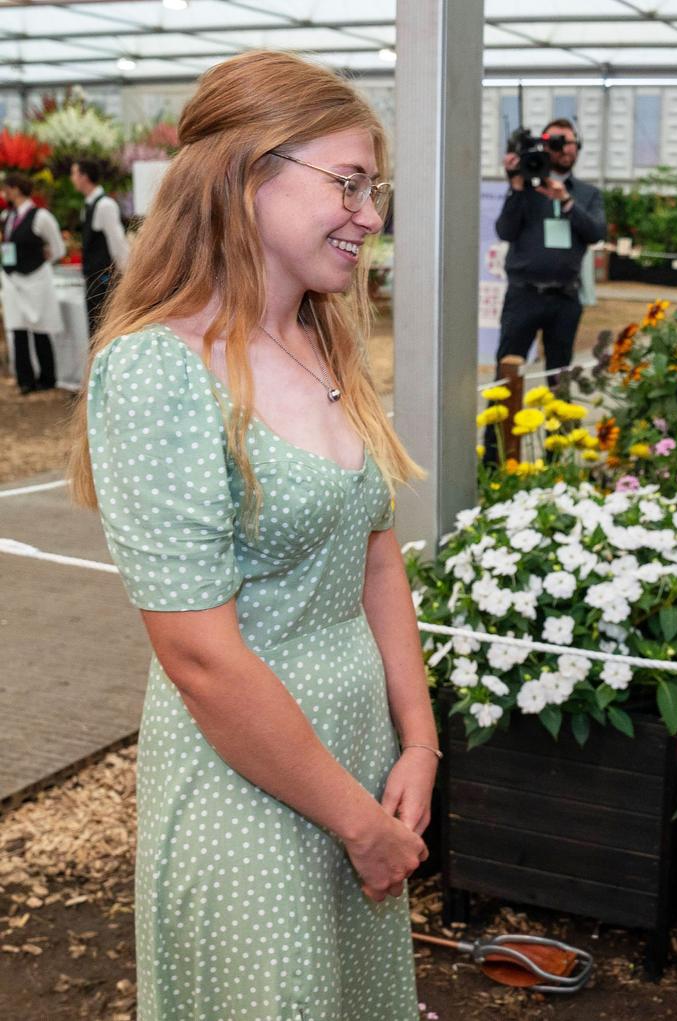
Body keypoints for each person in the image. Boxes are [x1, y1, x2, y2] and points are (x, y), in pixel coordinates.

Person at [66, 51, 432, 1020]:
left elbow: (378, 553)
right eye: (348, 183)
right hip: (255, 800)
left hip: (358, 772)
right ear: (245, 172)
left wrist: (421, 741)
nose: (370, 214)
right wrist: (361, 823)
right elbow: (199, 657)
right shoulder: (157, 370)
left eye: (375, 189)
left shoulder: (324, 339)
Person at [494, 117, 605, 374]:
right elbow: (505, 231)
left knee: (560, 374)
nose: (564, 149)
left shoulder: (587, 194)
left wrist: (567, 201)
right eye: (556, 142)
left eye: (570, 143)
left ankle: (558, 414)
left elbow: (596, 233)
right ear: (543, 147)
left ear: (578, 147)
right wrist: (516, 187)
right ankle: (502, 416)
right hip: (524, 295)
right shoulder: (526, 189)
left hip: (565, 298)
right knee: (508, 370)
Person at [1, 173, 65, 393]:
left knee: (41, 328)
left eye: (7, 188)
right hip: (13, 280)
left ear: (16, 189)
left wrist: (47, 257)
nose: (5, 192)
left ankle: (48, 378)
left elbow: (58, 247)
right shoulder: (7, 217)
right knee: (18, 329)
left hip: (37, 279)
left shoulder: (41, 216)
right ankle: (25, 380)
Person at [70, 157, 130, 337]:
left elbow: (118, 244)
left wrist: (128, 278)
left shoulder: (105, 205)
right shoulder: (88, 206)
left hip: (104, 280)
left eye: (74, 173)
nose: (72, 179)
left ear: (84, 176)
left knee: (103, 330)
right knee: (94, 330)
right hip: (93, 280)